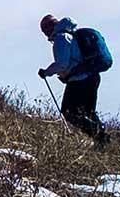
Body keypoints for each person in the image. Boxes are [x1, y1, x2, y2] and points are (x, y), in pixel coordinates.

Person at [39, 14, 110, 146]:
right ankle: (102, 140)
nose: (45, 34)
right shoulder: (72, 35)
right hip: (92, 76)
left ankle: (99, 135)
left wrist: (46, 72)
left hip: (79, 80)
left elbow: (63, 64)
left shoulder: (61, 38)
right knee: (88, 112)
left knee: (68, 112)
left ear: (50, 27)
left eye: (44, 30)